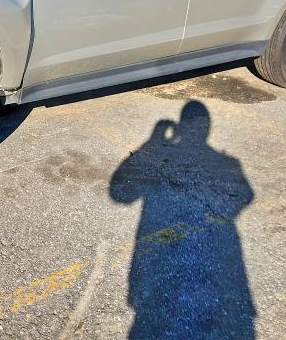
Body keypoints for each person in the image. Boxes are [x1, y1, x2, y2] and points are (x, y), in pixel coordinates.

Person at [110, 100, 256, 339]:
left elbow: (120, 195)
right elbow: (246, 195)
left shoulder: (226, 163)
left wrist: (153, 141)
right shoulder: (228, 163)